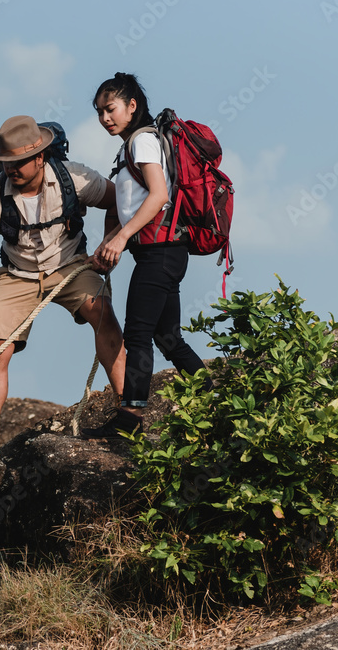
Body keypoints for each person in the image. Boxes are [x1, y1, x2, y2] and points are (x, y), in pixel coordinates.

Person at [0, 115, 125, 458]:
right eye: (5, 162)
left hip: (71, 265)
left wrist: (108, 243)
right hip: (17, 275)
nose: (10, 169)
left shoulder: (76, 177)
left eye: (18, 162)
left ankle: (126, 410)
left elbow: (116, 201)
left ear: (40, 156)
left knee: (104, 314)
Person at [83, 73, 209, 439]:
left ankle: (130, 418)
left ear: (132, 106)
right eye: (100, 112)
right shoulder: (130, 146)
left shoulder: (143, 141)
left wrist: (121, 238)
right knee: (168, 338)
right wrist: (111, 241)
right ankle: (214, 398)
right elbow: (128, 204)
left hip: (162, 252)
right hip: (160, 252)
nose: (105, 118)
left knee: (137, 334)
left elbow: (158, 195)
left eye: (111, 109)